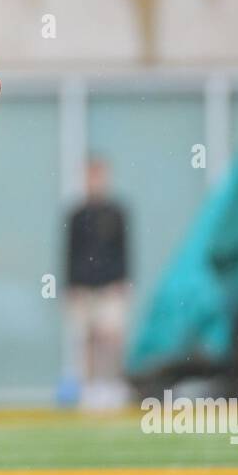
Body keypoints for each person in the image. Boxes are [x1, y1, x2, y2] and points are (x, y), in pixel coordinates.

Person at [64, 158, 132, 409]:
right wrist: (72, 285)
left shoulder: (117, 212)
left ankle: (113, 384)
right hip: (84, 286)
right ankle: (90, 387)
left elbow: (124, 249)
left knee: (112, 336)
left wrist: (122, 280)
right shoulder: (76, 214)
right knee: (88, 337)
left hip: (110, 284)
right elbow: (70, 251)